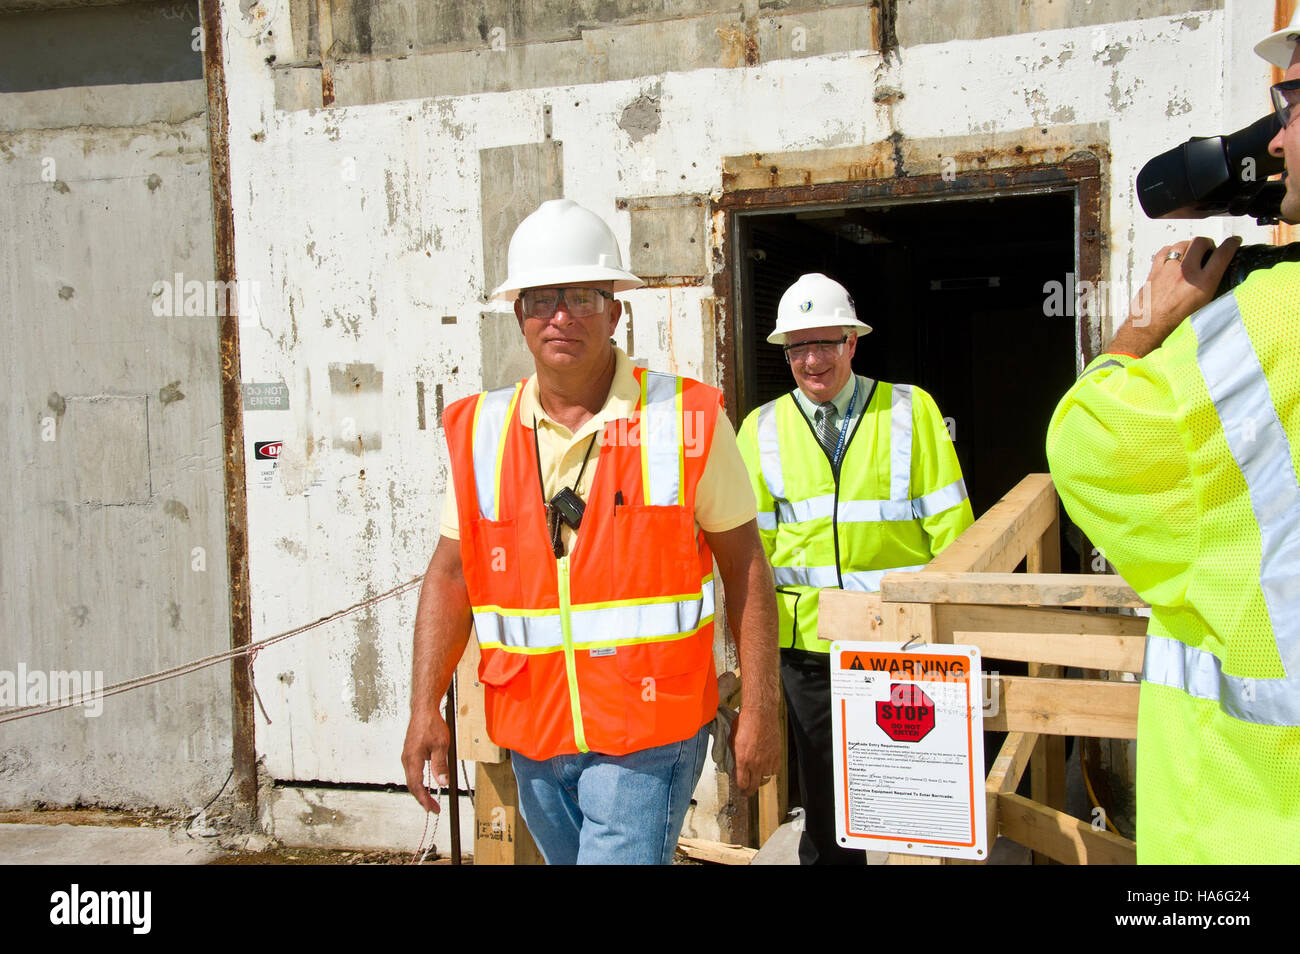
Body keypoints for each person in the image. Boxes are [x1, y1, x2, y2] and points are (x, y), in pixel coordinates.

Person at [401, 198, 780, 865]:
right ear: (518, 313)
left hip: (650, 733)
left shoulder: (685, 418)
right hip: (534, 734)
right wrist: (423, 706)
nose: (561, 315)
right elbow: (450, 574)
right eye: (542, 297)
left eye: (582, 295)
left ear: (616, 309)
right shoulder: (483, 433)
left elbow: (745, 563)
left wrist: (760, 705)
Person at [1045, 14, 1300, 864]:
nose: (1278, 136)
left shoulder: (1259, 334)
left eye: (1292, 104)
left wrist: (1142, 329)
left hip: (1248, 825)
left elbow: (1086, 446)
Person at [736, 273, 973, 864]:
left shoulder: (910, 411)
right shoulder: (759, 429)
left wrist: (953, 631)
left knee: (912, 798)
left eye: (826, 343)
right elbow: (749, 560)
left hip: (904, 644)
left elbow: (955, 533)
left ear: (853, 342)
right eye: (798, 348)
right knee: (828, 807)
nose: (812, 361)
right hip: (809, 650)